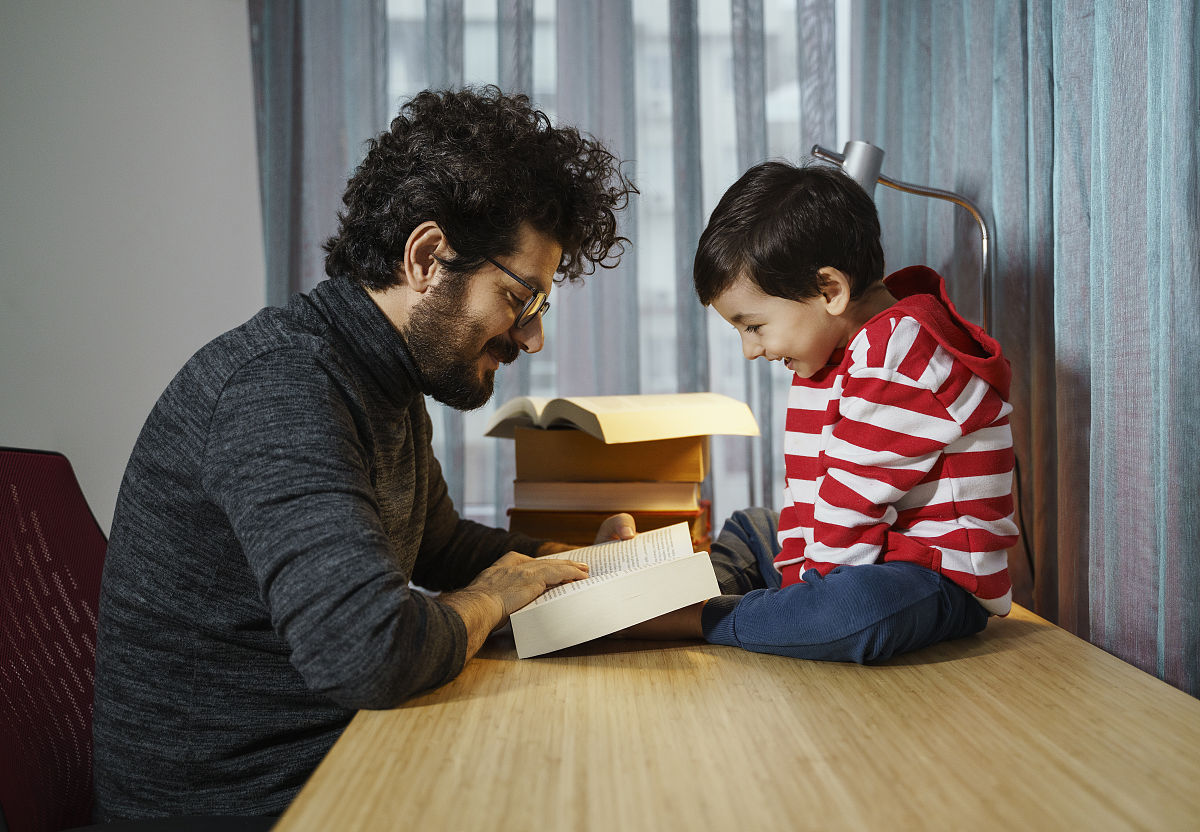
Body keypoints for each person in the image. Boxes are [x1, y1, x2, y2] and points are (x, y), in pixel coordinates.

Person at [92, 86, 637, 821]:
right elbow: (366, 649)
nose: (533, 337)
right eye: (520, 299)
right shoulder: (282, 388)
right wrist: (489, 600)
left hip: (338, 761)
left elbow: (436, 544)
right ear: (427, 257)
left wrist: (573, 565)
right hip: (252, 805)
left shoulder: (379, 377)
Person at [632, 161, 1018, 662]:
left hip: (935, 576)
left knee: (850, 611)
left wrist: (808, 595)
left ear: (829, 290)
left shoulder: (900, 352)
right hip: (849, 551)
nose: (751, 350)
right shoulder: (828, 350)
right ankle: (720, 599)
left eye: (754, 326)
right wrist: (797, 579)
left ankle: (698, 615)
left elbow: (852, 504)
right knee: (754, 526)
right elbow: (814, 489)